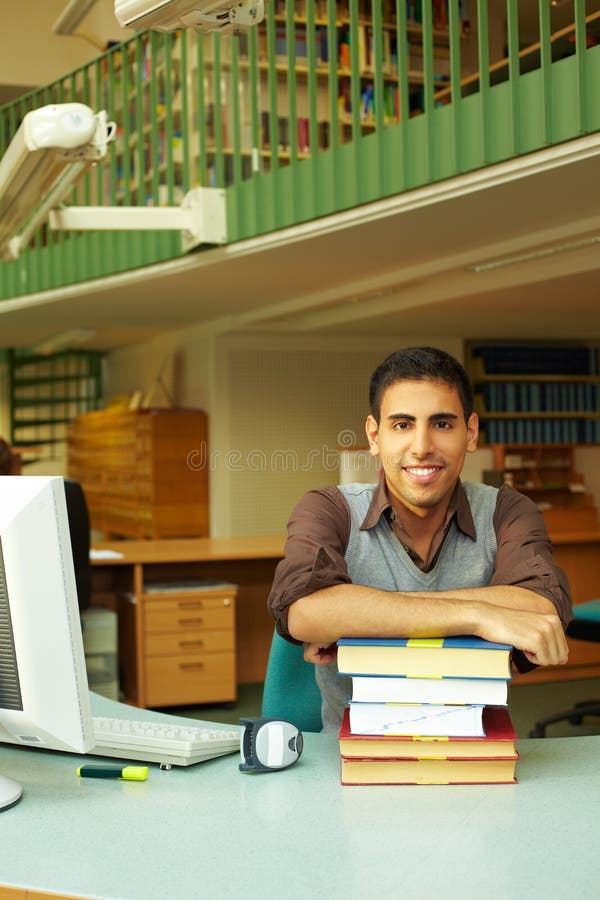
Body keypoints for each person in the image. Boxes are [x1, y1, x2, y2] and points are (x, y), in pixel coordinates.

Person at [268, 346, 572, 732]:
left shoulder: (507, 511)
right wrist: (480, 616)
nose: (422, 446)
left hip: (474, 753)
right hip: (352, 757)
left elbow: (542, 608)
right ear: (374, 436)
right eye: (402, 425)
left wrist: (356, 615)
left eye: (442, 424)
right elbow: (306, 613)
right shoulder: (329, 509)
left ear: (471, 432)